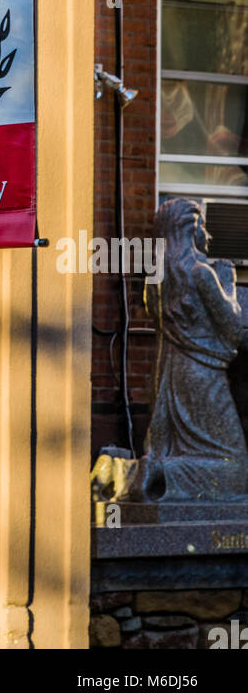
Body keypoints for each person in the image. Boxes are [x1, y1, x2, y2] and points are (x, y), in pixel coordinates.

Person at [140, 198, 248, 501]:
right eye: (203, 226)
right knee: (235, 468)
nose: (208, 236)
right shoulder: (201, 272)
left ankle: (157, 467)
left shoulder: (156, 280)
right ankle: (163, 472)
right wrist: (229, 283)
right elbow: (234, 328)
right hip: (203, 376)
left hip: (169, 375)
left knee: (193, 445)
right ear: (188, 229)